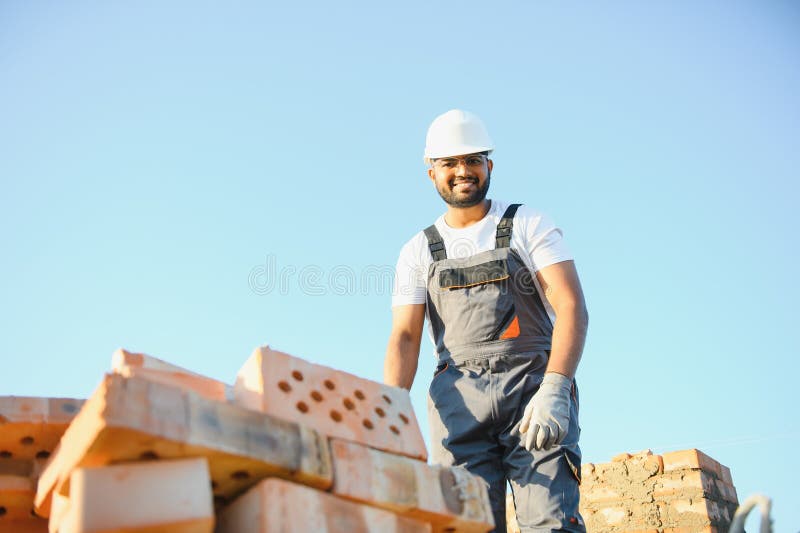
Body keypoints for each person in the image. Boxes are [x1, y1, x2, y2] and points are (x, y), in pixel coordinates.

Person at [384, 109, 588, 532]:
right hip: (459, 410)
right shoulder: (418, 251)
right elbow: (405, 337)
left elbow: (571, 306)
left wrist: (556, 387)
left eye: (473, 160)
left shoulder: (527, 224)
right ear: (432, 173)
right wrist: (390, 410)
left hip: (533, 397)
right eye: (450, 163)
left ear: (489, 165)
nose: (463, 171)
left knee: (552, 524)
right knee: (468, 526)